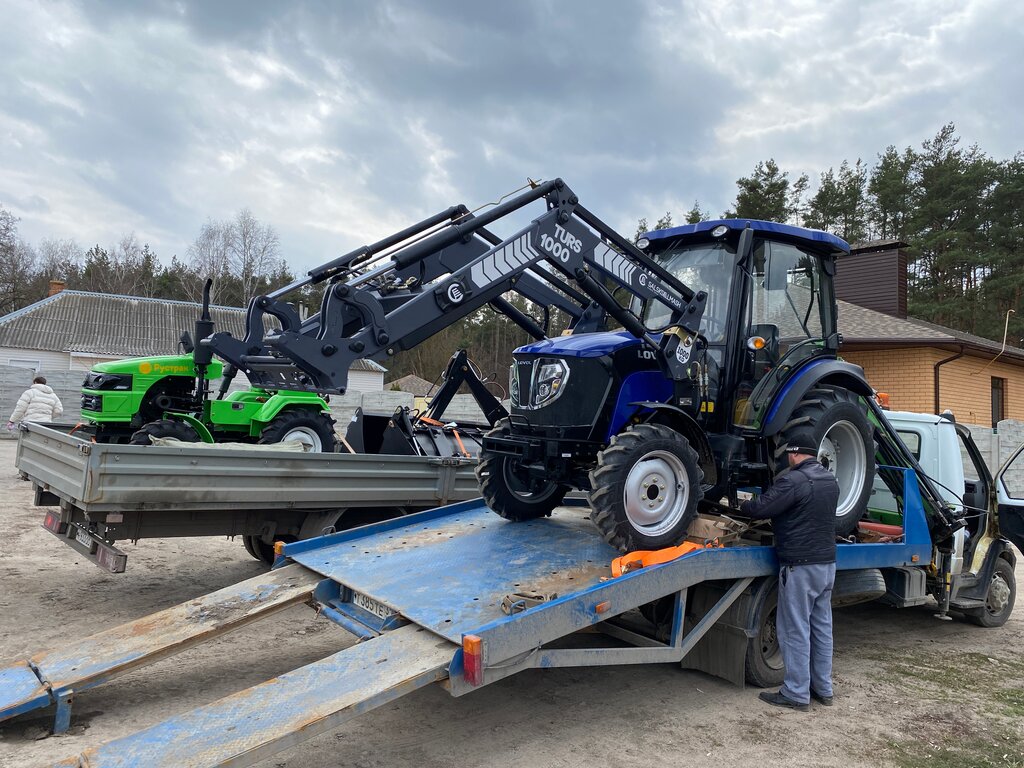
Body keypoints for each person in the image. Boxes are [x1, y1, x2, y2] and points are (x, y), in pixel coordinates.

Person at [740, 431, 840, 712]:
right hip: (827, 565)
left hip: (800, 566)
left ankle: (796, 693)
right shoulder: (830, 480)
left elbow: (761, 508)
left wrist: (740, 504)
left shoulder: (793, 480)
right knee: (822, 629)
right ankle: (823, 688)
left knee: (794, 630)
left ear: (795, 454)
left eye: (788, 454)